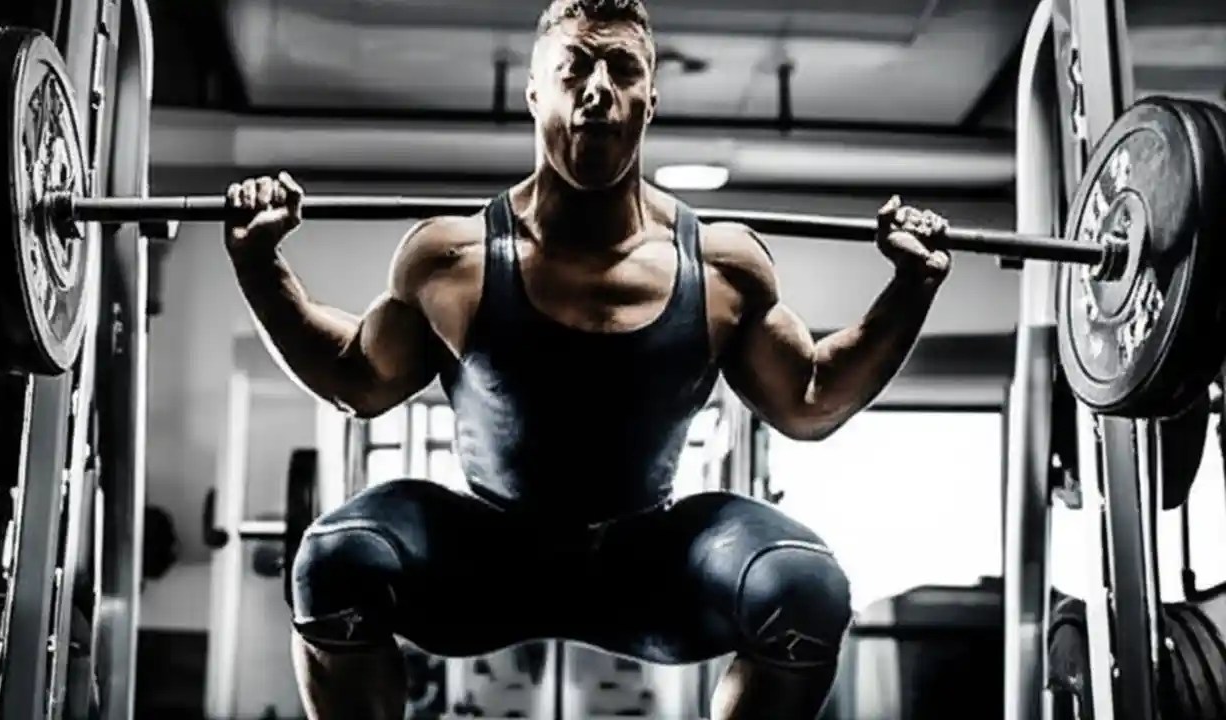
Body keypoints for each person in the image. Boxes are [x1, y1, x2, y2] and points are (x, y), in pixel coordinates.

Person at [223, 1, 952, 717]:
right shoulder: (452, 259)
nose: (598, 89)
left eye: (622, 69)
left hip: (651, 566)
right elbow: (357, 380)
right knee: (333, 563)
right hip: (488, 558)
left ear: (650, 99)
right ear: (534, 93)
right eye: (574, 70)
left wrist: (911, 286)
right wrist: (260, 265)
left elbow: (811, 399)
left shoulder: (724, 267)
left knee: (805, 588)